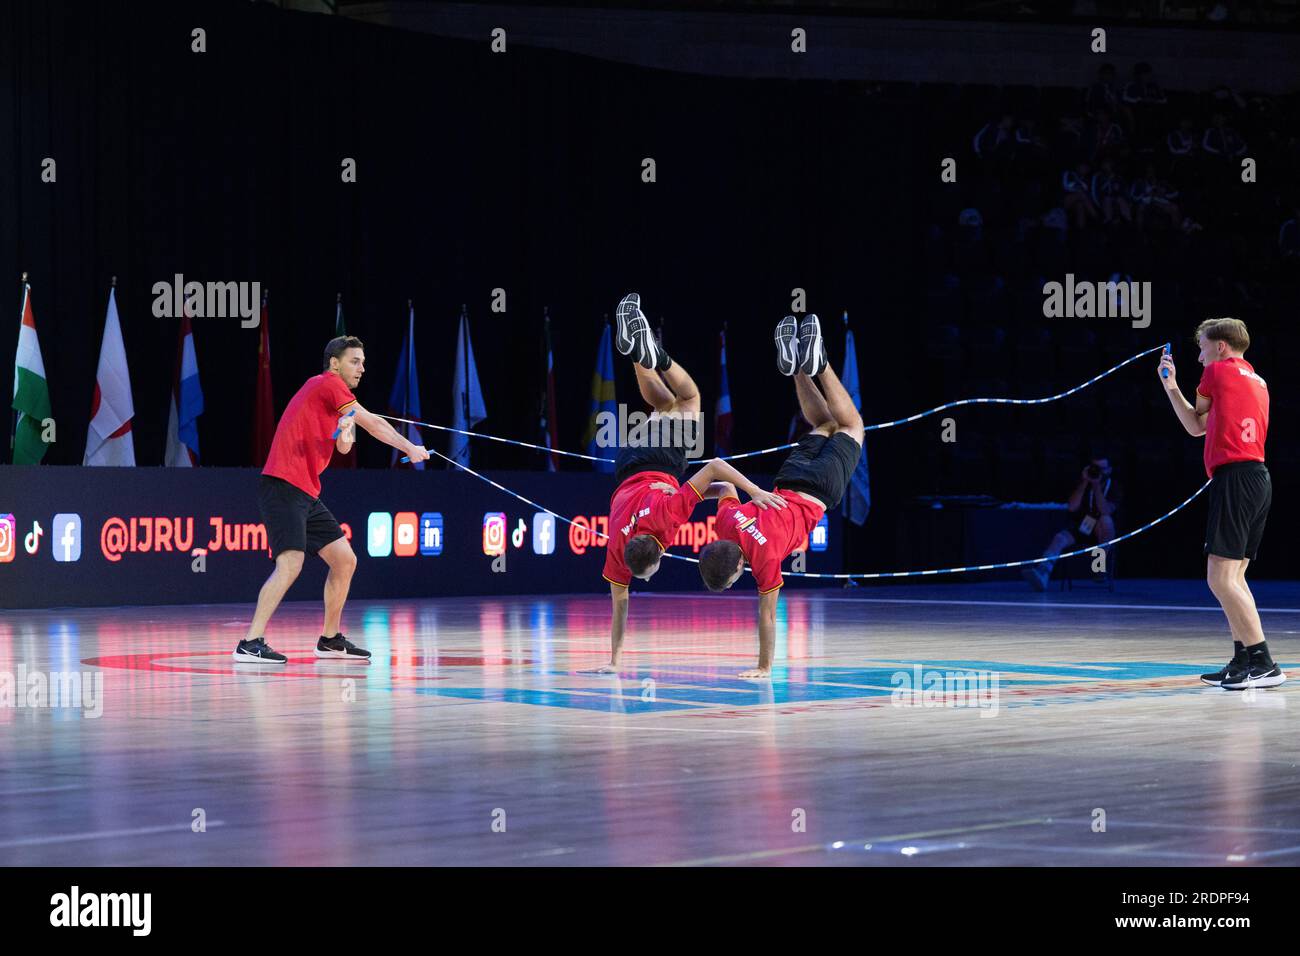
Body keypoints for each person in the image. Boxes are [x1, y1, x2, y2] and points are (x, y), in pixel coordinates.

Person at [591, 294, 786, 673]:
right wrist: (613, 662)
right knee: (665, 407)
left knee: (690, 397)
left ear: (661, 553)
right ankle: (635, 349)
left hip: (661, 460)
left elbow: (714, 466)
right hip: (628, 462)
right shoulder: (618, 543)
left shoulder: (668, 517)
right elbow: (619, 603)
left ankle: (655, 355)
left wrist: (754, 491)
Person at [234, 336, 431, 663]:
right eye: (355, 361)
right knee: (290, 564)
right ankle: (249, 641)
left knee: (345, 560)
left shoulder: (337, 401)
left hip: (307, 491)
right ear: (335, 363)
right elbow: (374, 424)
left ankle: (329, 639)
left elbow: (343, 447)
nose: (362, 368)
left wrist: (345, 426)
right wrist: (410, 448)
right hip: (283, 484)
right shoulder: (326, 383)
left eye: (364, 362)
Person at [696, 314, 865, 679]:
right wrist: (689, 498)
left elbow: (768, 616)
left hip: (820, 489)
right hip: (788, 478)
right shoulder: (727, 521)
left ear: (739, 567)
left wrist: (763, 666)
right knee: (824, 425)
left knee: (852, 426)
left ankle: (819, 364)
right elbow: (725, 487)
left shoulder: (764, 560)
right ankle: (796, 369)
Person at [1158, 318, 1283, 690]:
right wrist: (1172, 385)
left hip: (1235, 478)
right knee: (1234, 577)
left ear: (1221, 347)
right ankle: (1243, 660)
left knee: (1219, 577)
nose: (1199, 356)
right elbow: (1203, 426)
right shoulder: (1256, 380)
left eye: (1202, 347)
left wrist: (1170, 385)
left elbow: (1195, 425)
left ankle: (1263, 661)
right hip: (1258, 478)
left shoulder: (1217, 373)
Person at [1022, 454, 1122, 591]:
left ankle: (1098, 567)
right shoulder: (1083, 483)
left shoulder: (1114, 487)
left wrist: (1097, 486)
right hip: (1083, 527)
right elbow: (1072, 507)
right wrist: (1086, 482)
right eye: (1095, 468)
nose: (1098, 472)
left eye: (1102, 469)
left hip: (1102, 534)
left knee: (1106, 520)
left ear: (1109, 470)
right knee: (1059, 538)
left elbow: (1105, 510)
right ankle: (1042, 572)